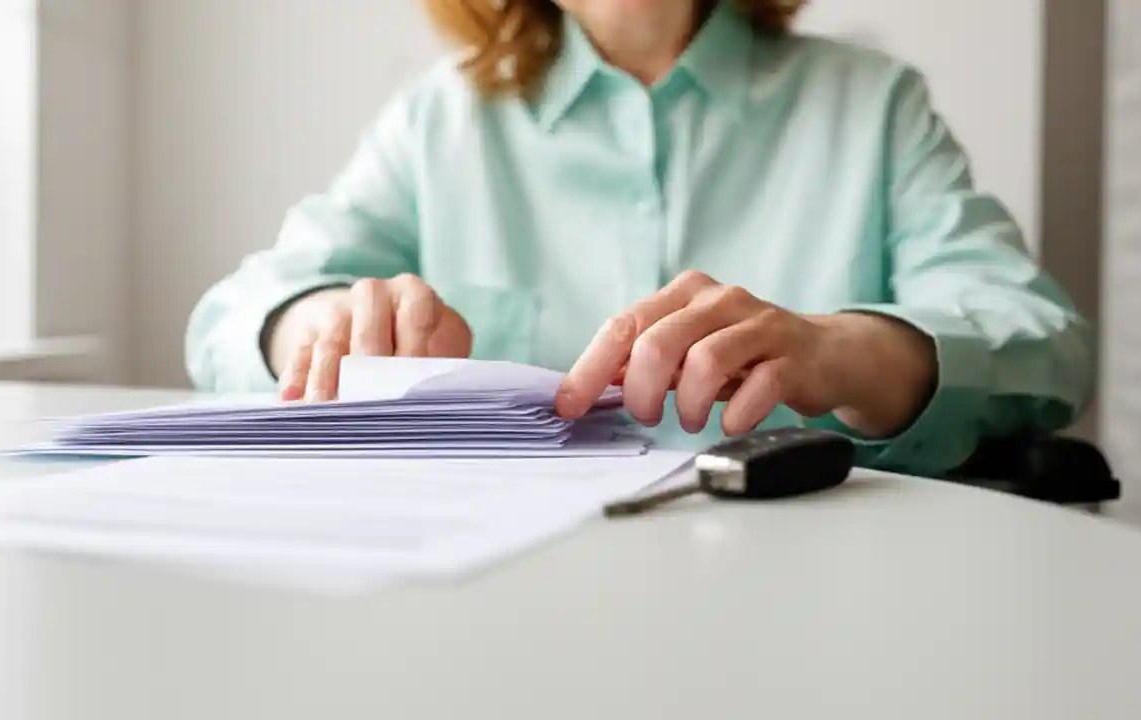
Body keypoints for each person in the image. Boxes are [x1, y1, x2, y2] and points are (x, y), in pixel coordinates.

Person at [186, 0, 1092, 475]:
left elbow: (1042, 344)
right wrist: (323, 326)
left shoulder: (873, 104)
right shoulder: (439, 120)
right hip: (499, 608)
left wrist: (840, 352)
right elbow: (233, 317)